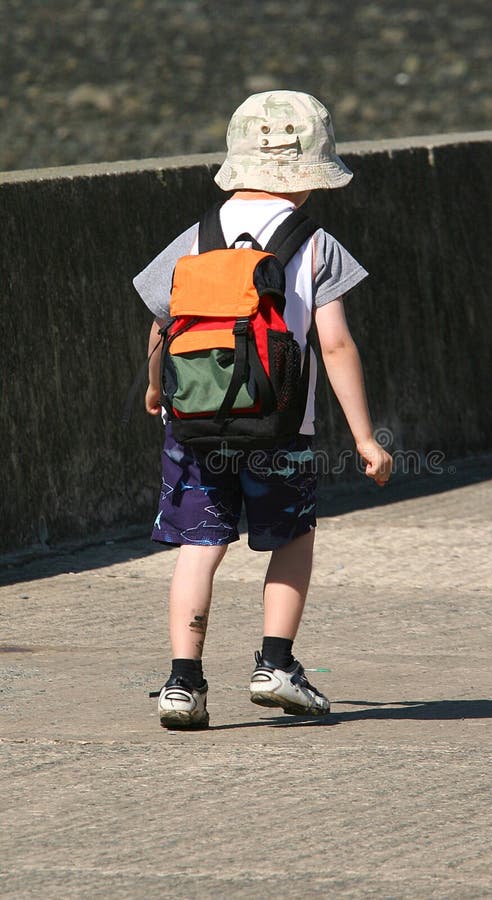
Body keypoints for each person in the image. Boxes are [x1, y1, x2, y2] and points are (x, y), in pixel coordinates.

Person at [133, 90, 393, 729]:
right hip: (279, 426)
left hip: (192, 426)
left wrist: (155, 390)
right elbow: (334, 343)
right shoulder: (315, 242)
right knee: (293, 537)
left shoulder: (195, 236)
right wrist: (365, 435)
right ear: (308, 177)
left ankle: (182, 683)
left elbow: (162, 328)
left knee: (200, 546)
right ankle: (276, 665)